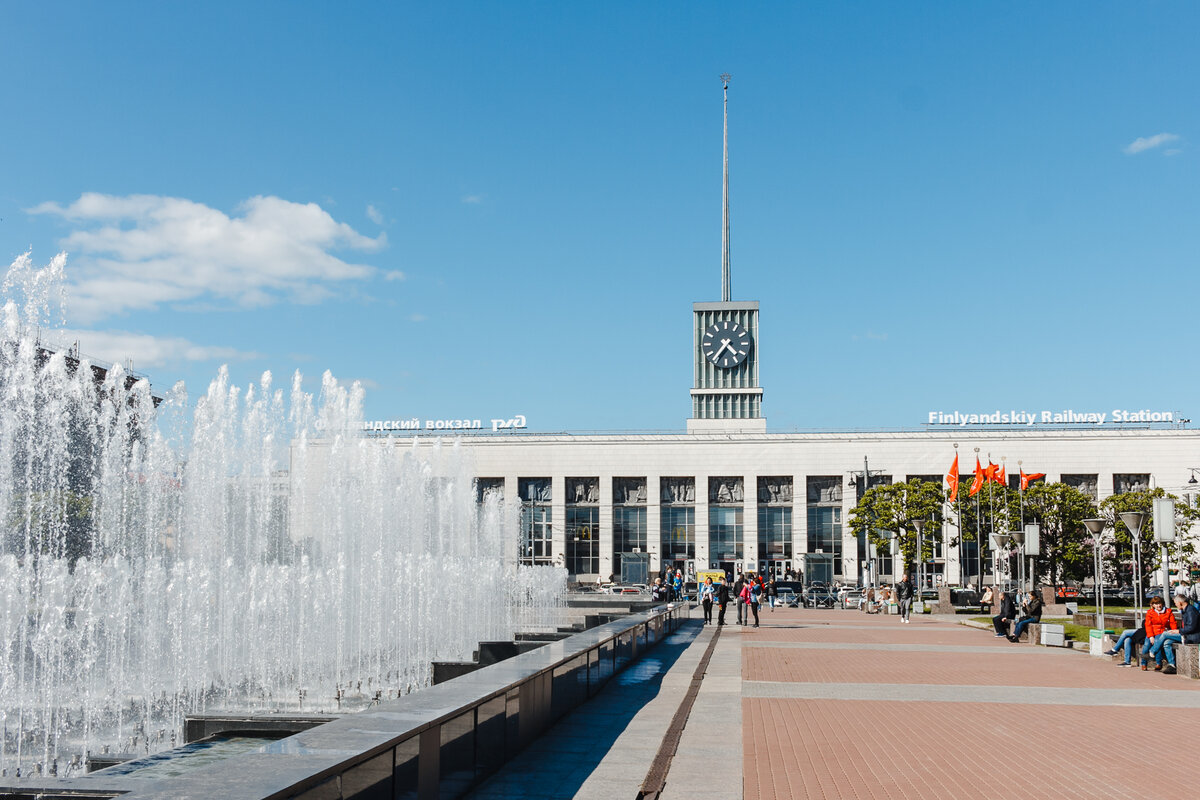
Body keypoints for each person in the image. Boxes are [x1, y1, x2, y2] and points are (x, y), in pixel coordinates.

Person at [1141, 594, 1178, 671]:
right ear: (1153, 605)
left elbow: (1173, 623)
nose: (1158, 605)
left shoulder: (1168, 611)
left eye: (1159, 603)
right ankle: (1143, 663)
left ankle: (1159, 663)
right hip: (1151, 632)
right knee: (1146, 645)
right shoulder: (1150, 612)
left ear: (1162, 603)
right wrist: (1151, 636)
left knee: (1157, 642)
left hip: (1161, 631)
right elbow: (1148, 625)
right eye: (1156, 604)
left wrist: (1174, 631)